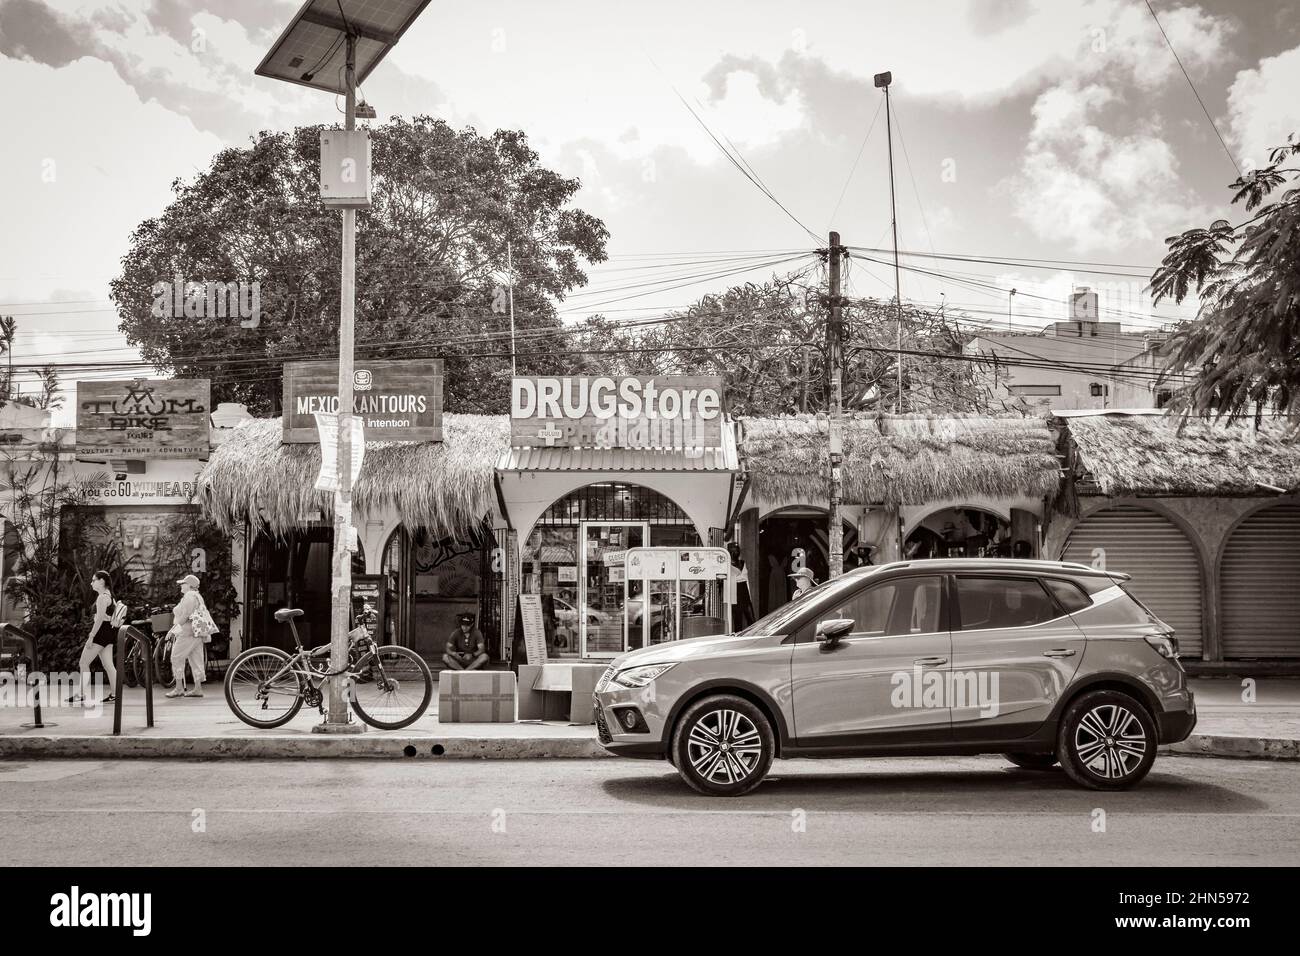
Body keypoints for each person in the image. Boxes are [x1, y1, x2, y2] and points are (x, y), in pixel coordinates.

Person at [69, 571, 118, 704]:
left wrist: (91, 636)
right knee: (109, 665)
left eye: (93, 580)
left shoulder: (102, 597)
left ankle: (81, 694)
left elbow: (100, 619)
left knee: (83, 663)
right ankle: (115, 694)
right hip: (109, 632)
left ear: (102, 581)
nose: (91, 583)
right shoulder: (111, 596)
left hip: (101, 632)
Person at [165, 574, 207, 699]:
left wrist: (173, 630)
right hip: (197, 633)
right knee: (196, 659)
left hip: (186, 632)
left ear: (189, 585)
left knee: (176, 657)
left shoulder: (189, 596)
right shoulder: (198, 597)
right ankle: (198, 688)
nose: (181, 586)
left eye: (183, 583)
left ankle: (178, 688)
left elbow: (185, 616)